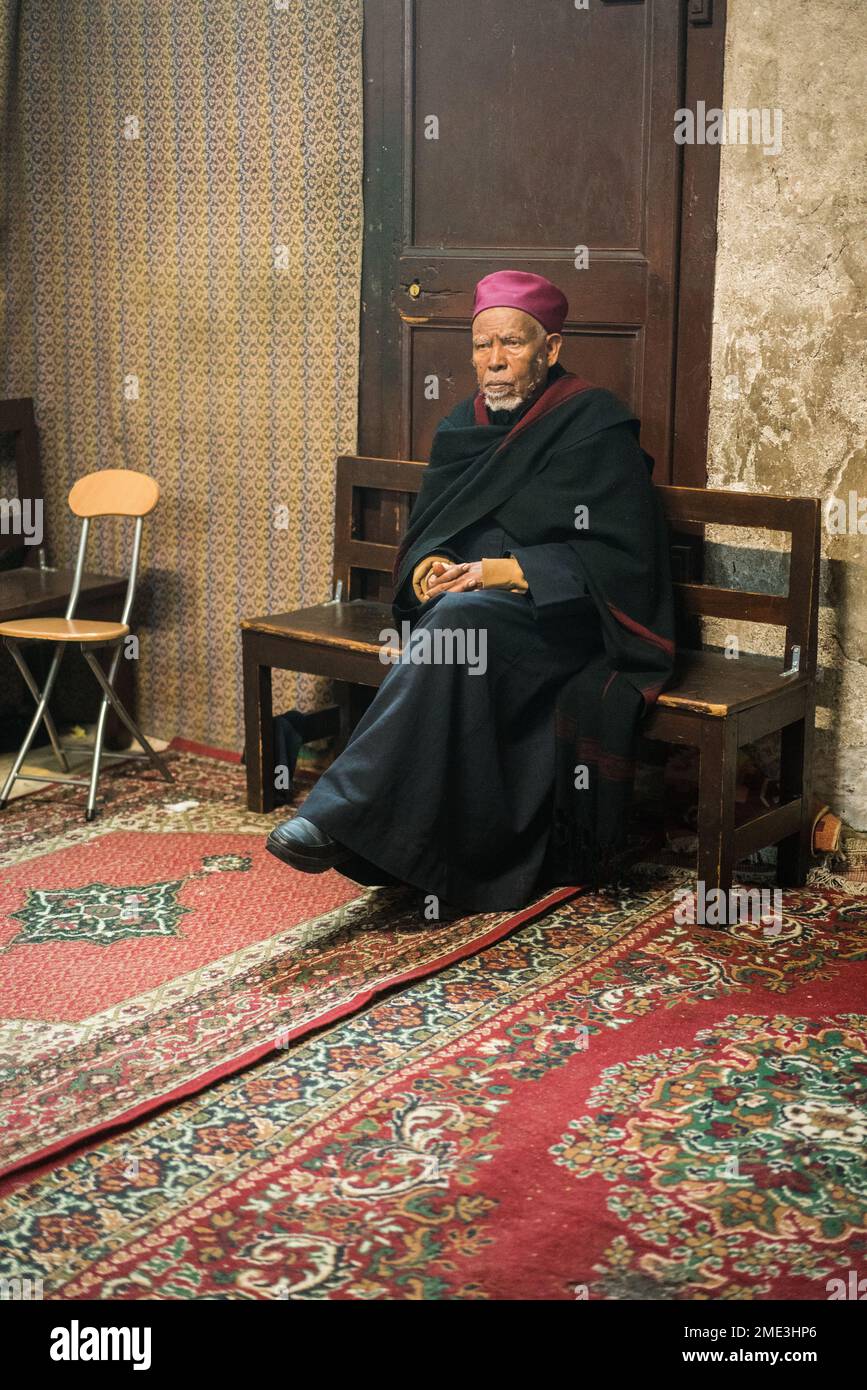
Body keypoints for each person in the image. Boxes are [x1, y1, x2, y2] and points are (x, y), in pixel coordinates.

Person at [266, 270, 675, 911]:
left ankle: (344, 817)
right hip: (470, 611)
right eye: (483, 347)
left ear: (552, 348)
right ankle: (371, 828)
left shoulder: (593, 422)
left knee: (457, 627)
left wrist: (504, 573)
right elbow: (436, 527)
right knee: (454, 623)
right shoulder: (464, 423)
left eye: (512, 345)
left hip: (564, 622)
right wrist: (429, 565)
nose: (494, 362)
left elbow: (624, 561)